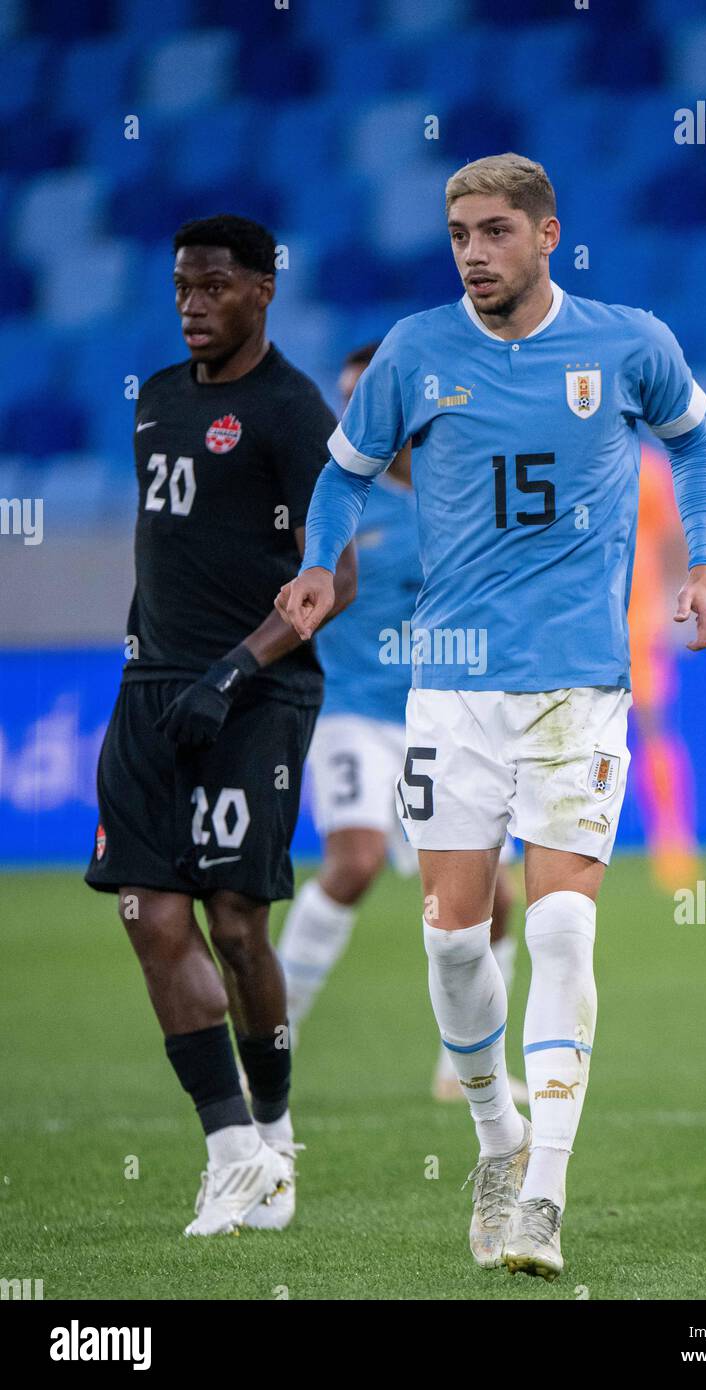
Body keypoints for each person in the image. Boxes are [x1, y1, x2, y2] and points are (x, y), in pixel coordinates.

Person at [276, 154, 706, 1281]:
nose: (472, 253)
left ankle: (540, 1196)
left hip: (577, 684)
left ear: (545, 234)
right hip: (453, 686)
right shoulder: (413, 353)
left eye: (492, 232)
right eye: (457, 235)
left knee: (564, 927)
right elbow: (341, 474)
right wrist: (315, 560)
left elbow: (693, 440)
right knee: (448, 935)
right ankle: (496, 1141)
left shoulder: (627, 343)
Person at [85, 214, 356, 1237]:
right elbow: (163, 552)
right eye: (181, 289)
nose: (192, 306)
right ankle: (231, 1151)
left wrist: (236, 667)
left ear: (261, 291)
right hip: (151, 688)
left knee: (237, 923)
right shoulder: (154, 400)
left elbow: (340, 576)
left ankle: (277, 1135)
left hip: (257, 692)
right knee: (150, 916)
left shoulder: (292, 414)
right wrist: (146, 659)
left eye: (212, 288)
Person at [276, 342, 527, 1104]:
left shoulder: (474, 502)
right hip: (358, 714)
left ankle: (467, 1066)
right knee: (351, 866)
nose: (360, 415)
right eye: (349, 400)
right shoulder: (341, 501)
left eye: (371, 397)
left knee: (499, 901)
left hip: (451, 722)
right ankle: (269, 1034)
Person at [629, 440, 701, 892]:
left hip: (625, 622)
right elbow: (674, 545)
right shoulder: (649, 468)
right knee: (654, 729)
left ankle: (672, 841)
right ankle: (672, 847)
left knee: (654, 728)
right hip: (629, 621)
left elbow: (671, 543)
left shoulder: (648, 469)